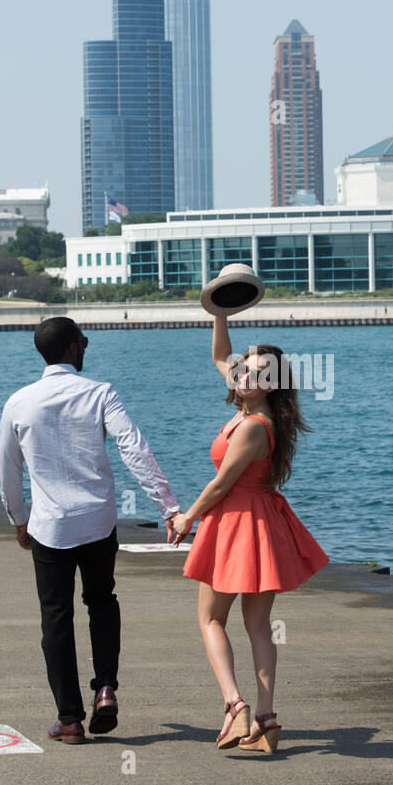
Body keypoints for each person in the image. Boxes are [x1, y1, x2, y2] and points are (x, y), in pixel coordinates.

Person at [0, 317, 180, 745]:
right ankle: (106, 688)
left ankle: (70, 719)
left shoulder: (19, 402)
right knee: (101, 602)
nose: (86, 346)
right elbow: (134, 447)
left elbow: (7, 471)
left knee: (56, 618)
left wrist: (18, 520)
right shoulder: (100, 393)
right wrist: (167, 505)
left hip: (50, 527)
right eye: (84, 341)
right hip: (97, 522)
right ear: (73, 349)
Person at [171, 316, 329, 754]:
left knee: (211, 619)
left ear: (271, 384)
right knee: (258, 625)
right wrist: (220, 311)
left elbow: (222, 485)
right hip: (259, 521)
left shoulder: (255, 426)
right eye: (245, 368)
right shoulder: (252, 409)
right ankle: (266, 719)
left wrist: (187, 520)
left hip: (238, 521)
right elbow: (221, 354)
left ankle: (234, 706)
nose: (244, 375)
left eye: (259, 373)